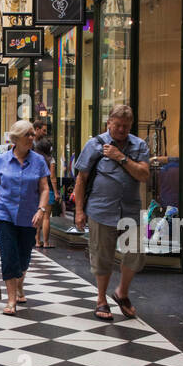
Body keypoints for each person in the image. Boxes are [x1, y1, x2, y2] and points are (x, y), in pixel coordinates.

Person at [73, 103, 151, 322]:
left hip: (130, 210)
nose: (121, 130)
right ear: (109, 123)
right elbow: (81, 179)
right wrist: (79, 211)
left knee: (135, 253)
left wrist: (120, 157)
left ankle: (121, 293)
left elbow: (144, 175)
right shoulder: (94, 144)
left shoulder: (139, 145)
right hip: (101, 209)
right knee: (102, 255)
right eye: (117, 125)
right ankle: (101, 299)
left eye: (126, 126)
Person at [0, 119, 49, 315]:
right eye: (27, 134)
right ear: (16, 139)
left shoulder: (38, 161)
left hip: (30, 217)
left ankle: (20, 284)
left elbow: (44, 189)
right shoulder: (2, 160)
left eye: (32, 134)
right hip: (4, 215)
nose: (32, 137)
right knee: (9, 256)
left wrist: (41, 210)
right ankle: (11, 299)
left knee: (24, 257)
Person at [35, 136, 58, 249]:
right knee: (46, 217)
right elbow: (52, 177)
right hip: (47, 189)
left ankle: (37, 241)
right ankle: (46, 242)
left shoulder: (35, 159)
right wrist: (56, 192)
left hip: (36, 189)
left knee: (37, 215)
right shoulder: (51, 160)